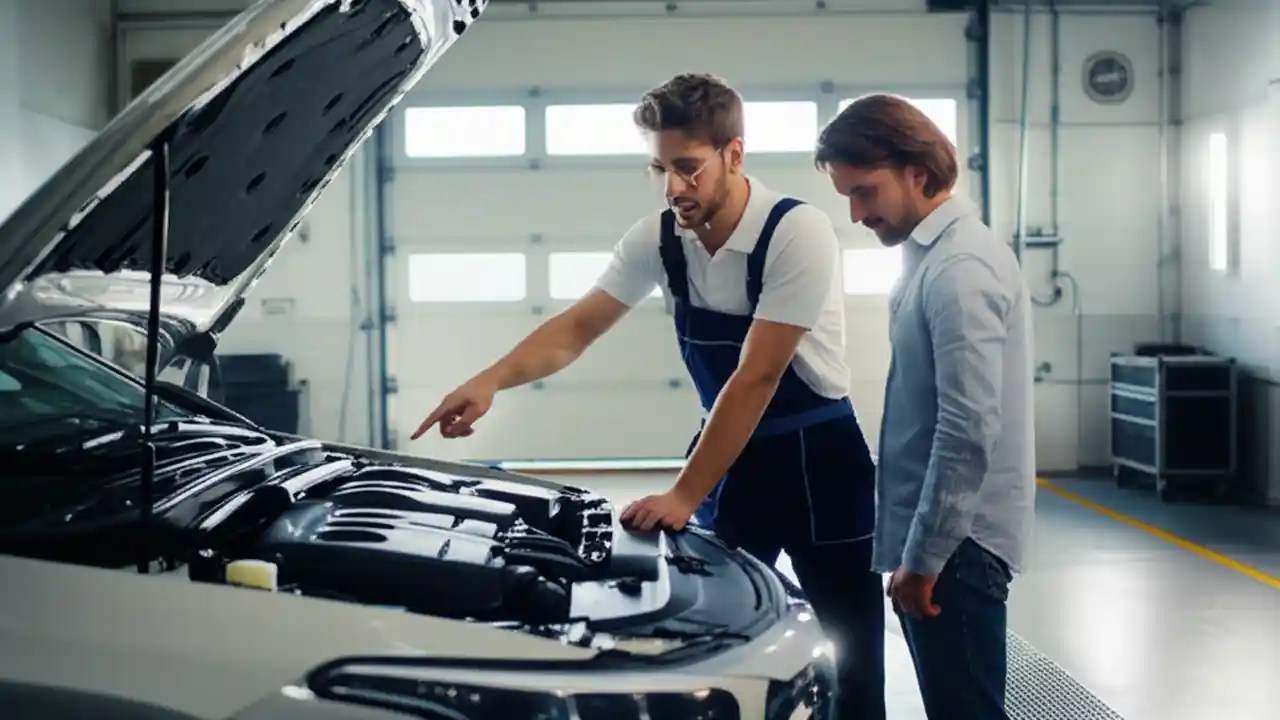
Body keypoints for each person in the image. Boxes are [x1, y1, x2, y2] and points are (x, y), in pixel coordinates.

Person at [411, 73, 885, 720]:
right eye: (659, 167)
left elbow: (757, 377)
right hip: (733, 462)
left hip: (820, 461)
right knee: (722, 640)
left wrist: (684, 494)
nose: (673, 187)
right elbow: (578, 328)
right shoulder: (659, 239)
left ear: (734, 155)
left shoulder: (795, 233)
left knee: (852, 652)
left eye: (688, 168)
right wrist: (489, 379)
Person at [813, 93, 1036, 720]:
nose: (856, 214)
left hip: (956, 549)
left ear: (918, 172)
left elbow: (967, 430)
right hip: (943, 544)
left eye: (865, 192)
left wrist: (924, 558)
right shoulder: (931, 257)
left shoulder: (960, 268)